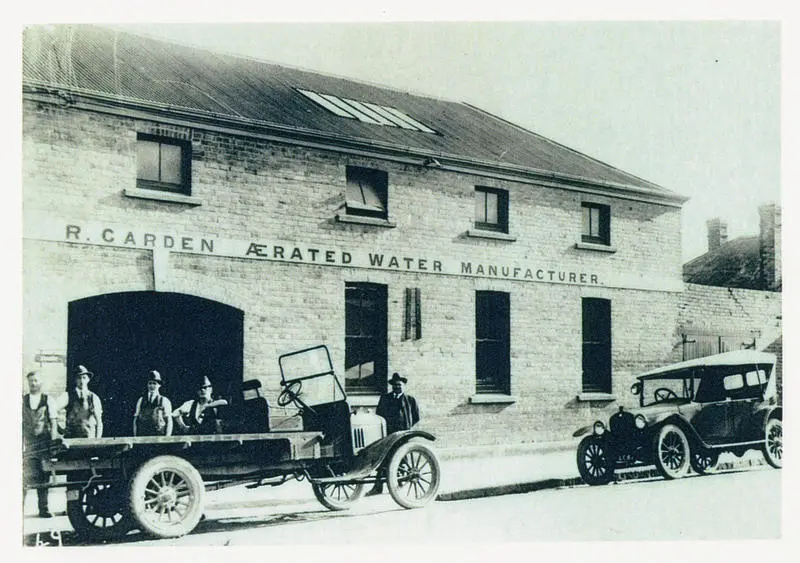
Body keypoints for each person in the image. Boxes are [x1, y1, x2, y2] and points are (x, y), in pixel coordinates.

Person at [368, 372, 421, 495]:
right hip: (388, 434)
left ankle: (400, 483)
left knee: (402, 458)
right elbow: (379, 415)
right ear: (392, 386)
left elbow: (416, 416)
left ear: (404, 386)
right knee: (383, 458)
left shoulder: (410, 400)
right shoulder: (386, 398)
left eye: (400, 385)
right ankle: (378, 487)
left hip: (403, 434)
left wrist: (407, 428)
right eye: (395, 385)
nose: (397, 387)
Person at [22, 371, 59, 517]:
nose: (33, 383)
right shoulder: (22, 400)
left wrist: (54, 443)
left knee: (44, 477)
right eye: (31, 381)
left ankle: (44, 509)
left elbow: (53, 422)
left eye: (36, 380)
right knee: (23, 477)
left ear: (40, 382)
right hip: (28, 443)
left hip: (43, 443)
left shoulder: (48, 400)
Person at [63, 365, 103, 438]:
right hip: (72, 437)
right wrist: (61, 430)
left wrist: (97, 440)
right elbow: (53, 412)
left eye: (84, 378)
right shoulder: (68, 396)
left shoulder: (93, 397)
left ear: (88, 379)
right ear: (75, 380)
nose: (81, 381)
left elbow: (99, 421)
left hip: (89, 437)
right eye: (79, 378)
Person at [133, 370, 173, 436]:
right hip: (143, 435)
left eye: (154, 383)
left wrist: (167, 437)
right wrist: (135, 437)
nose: (152, 386)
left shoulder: (164, 400)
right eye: (150, 383)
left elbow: (169, 420)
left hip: (158, 436)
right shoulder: (141, 400)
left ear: (159, 385)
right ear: (147, 384)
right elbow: (136, 419)